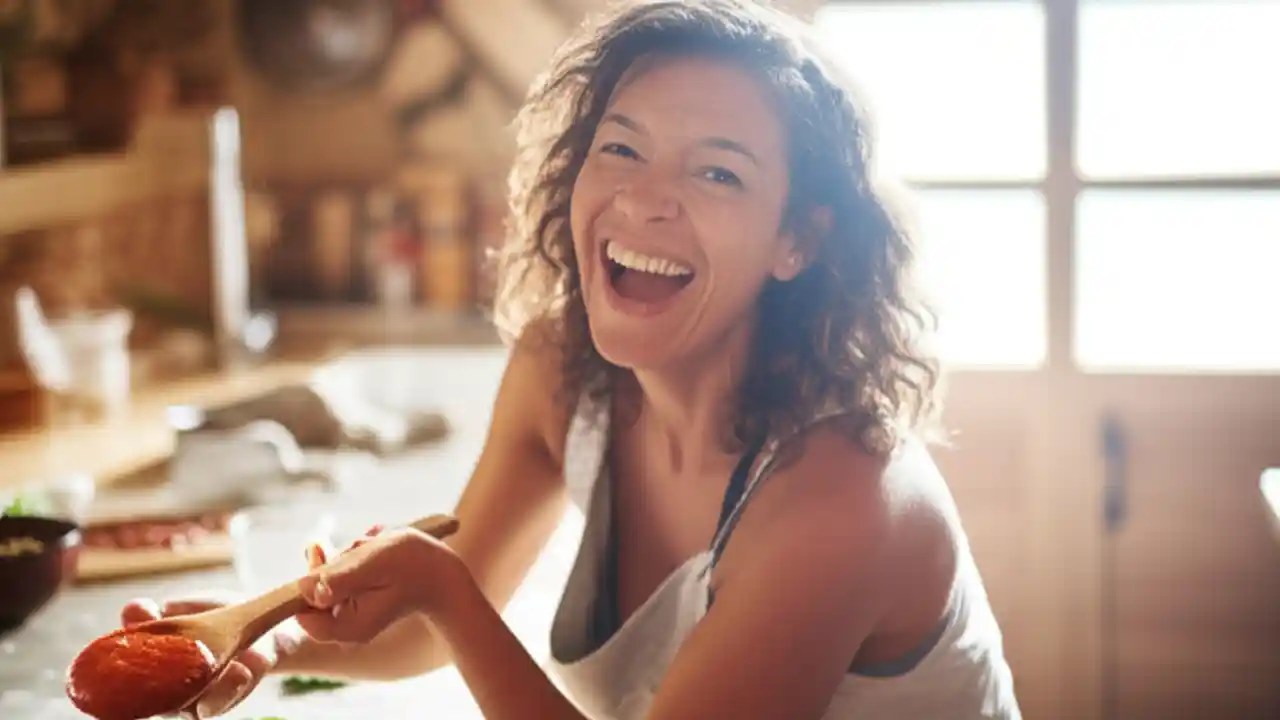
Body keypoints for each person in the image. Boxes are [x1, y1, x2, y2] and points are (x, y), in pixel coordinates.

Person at [121, 1, 1021, 717]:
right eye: (620, 148)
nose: (643, 199)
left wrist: (450, 593)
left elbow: (450, 610)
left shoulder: (841, 499)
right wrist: (266, 642)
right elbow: (422, 635)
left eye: (717, 174)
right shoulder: (562, 373)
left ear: (798, 239)